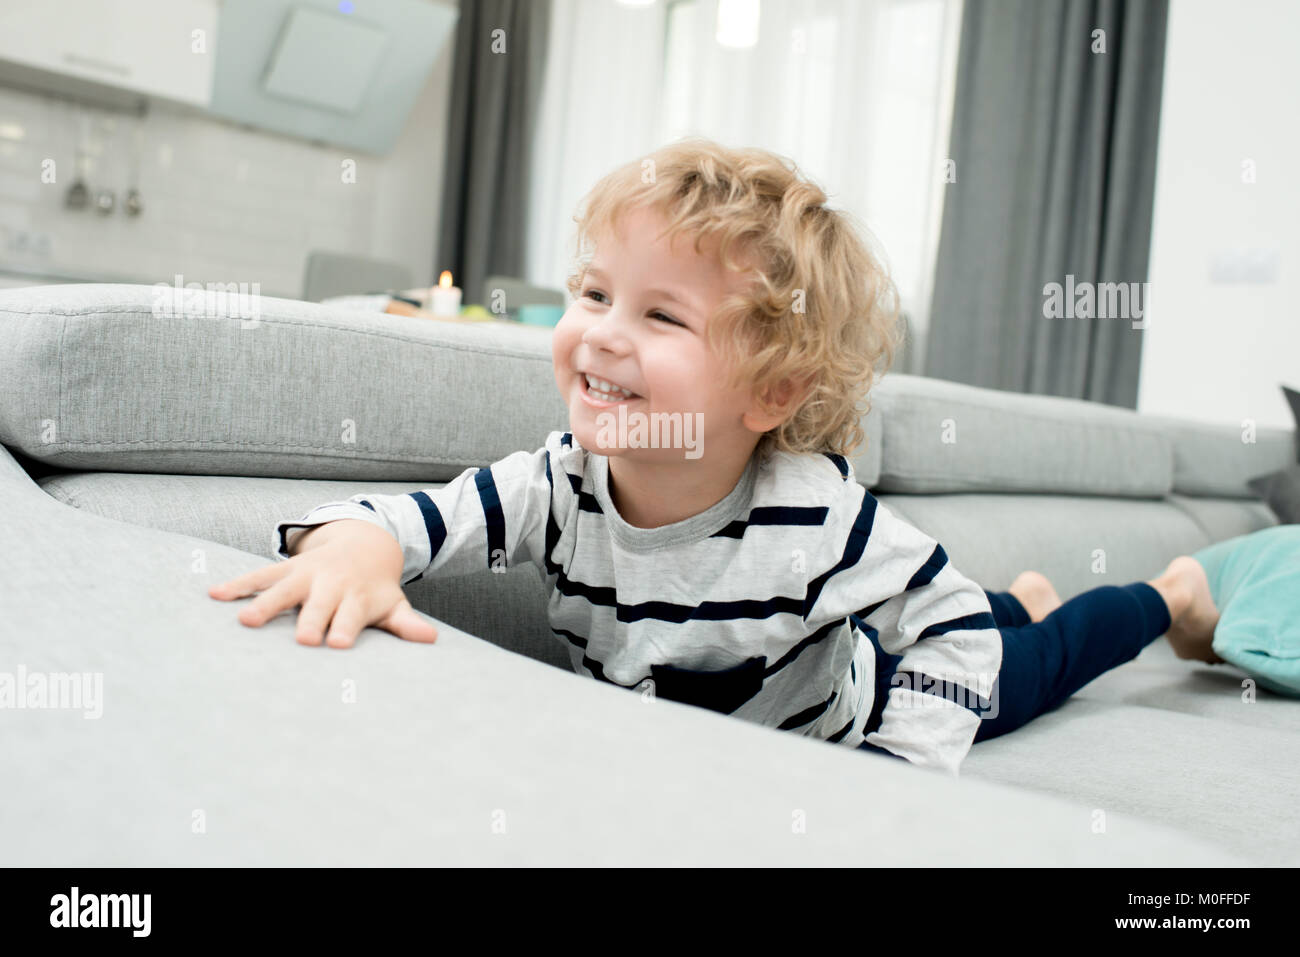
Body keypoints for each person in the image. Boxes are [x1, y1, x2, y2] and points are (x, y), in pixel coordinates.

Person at [209, 139, 1221, 775]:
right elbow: (413, 523)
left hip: (857, 694)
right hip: (797, 666)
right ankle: (1027, 596)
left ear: (772, 392)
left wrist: (898, 773)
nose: (601, 333)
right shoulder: (559, 483)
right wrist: (351, 550)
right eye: (596, 294)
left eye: (660, 315)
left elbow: (946, 622)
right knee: (980, 606)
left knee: (1025, 657)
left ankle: (1162, 597)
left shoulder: (814, 516)